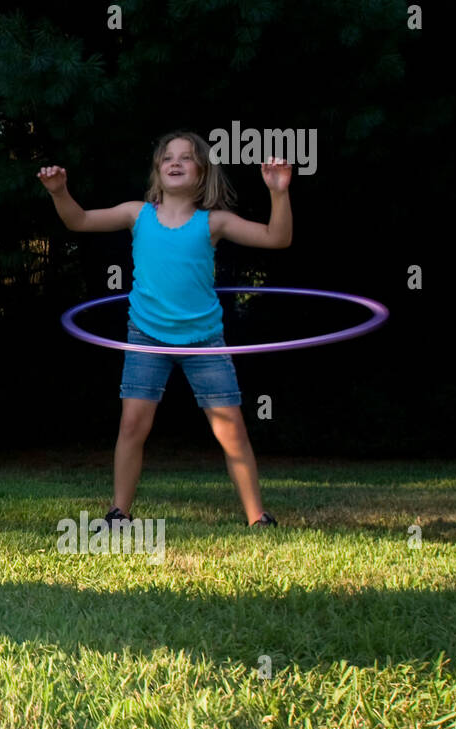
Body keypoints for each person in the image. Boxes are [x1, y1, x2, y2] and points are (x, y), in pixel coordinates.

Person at [39, 131, 292, 526]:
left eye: (186, 158)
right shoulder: (136, 214)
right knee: (132, 425)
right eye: (167, 157)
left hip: (204, 340)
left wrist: (278, 192)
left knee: (232, 432)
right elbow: (80, 220)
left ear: (202, 171)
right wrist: (58, 191)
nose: (175, 162)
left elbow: (277, 238)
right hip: (147, 336)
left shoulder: (214, 222)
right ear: (158, 170)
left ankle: (257, 516)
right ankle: (118, 512)